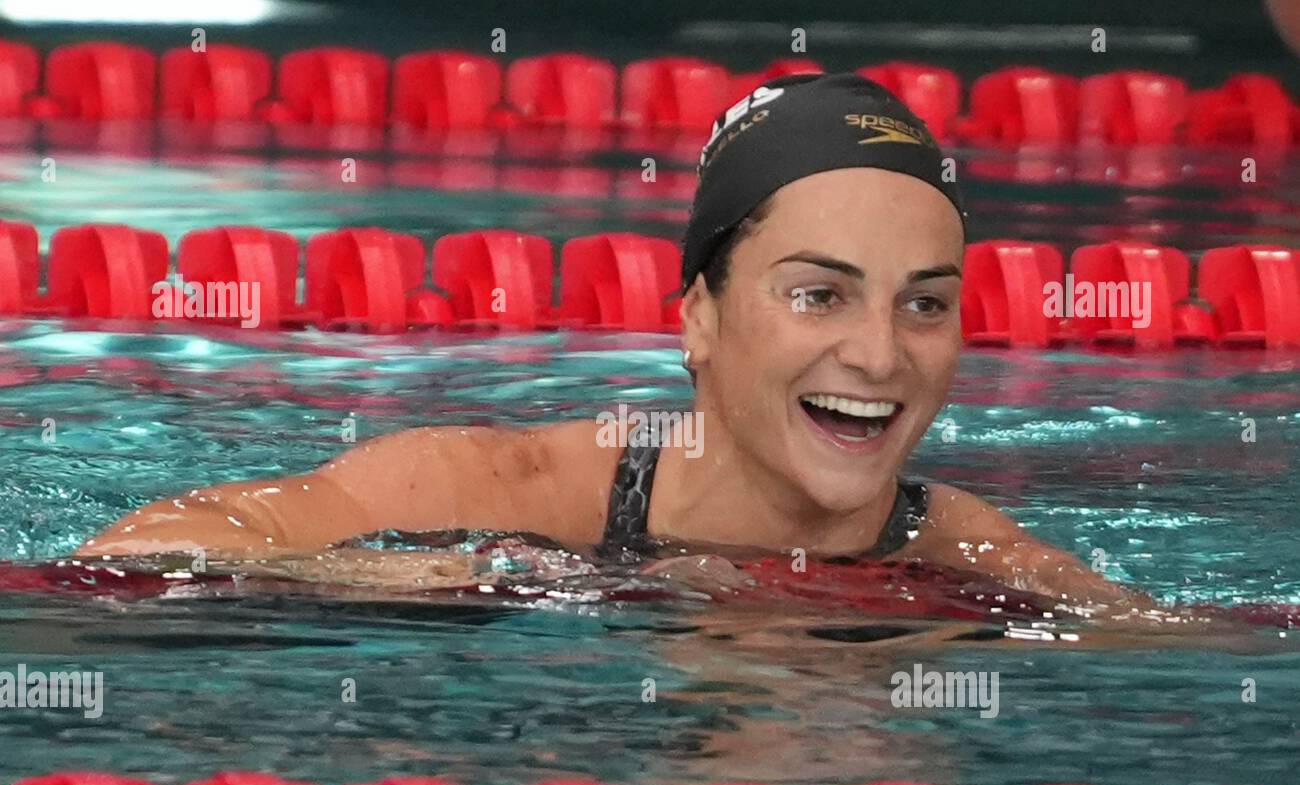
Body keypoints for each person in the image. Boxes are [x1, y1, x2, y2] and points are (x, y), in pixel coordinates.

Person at [77, 73, 1142, 610]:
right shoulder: (515, 490)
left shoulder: (974, 557)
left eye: (923, 304)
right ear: (698, 319)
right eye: (819, 296)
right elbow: (128, 558)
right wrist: (469, 576)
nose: (878, 355)